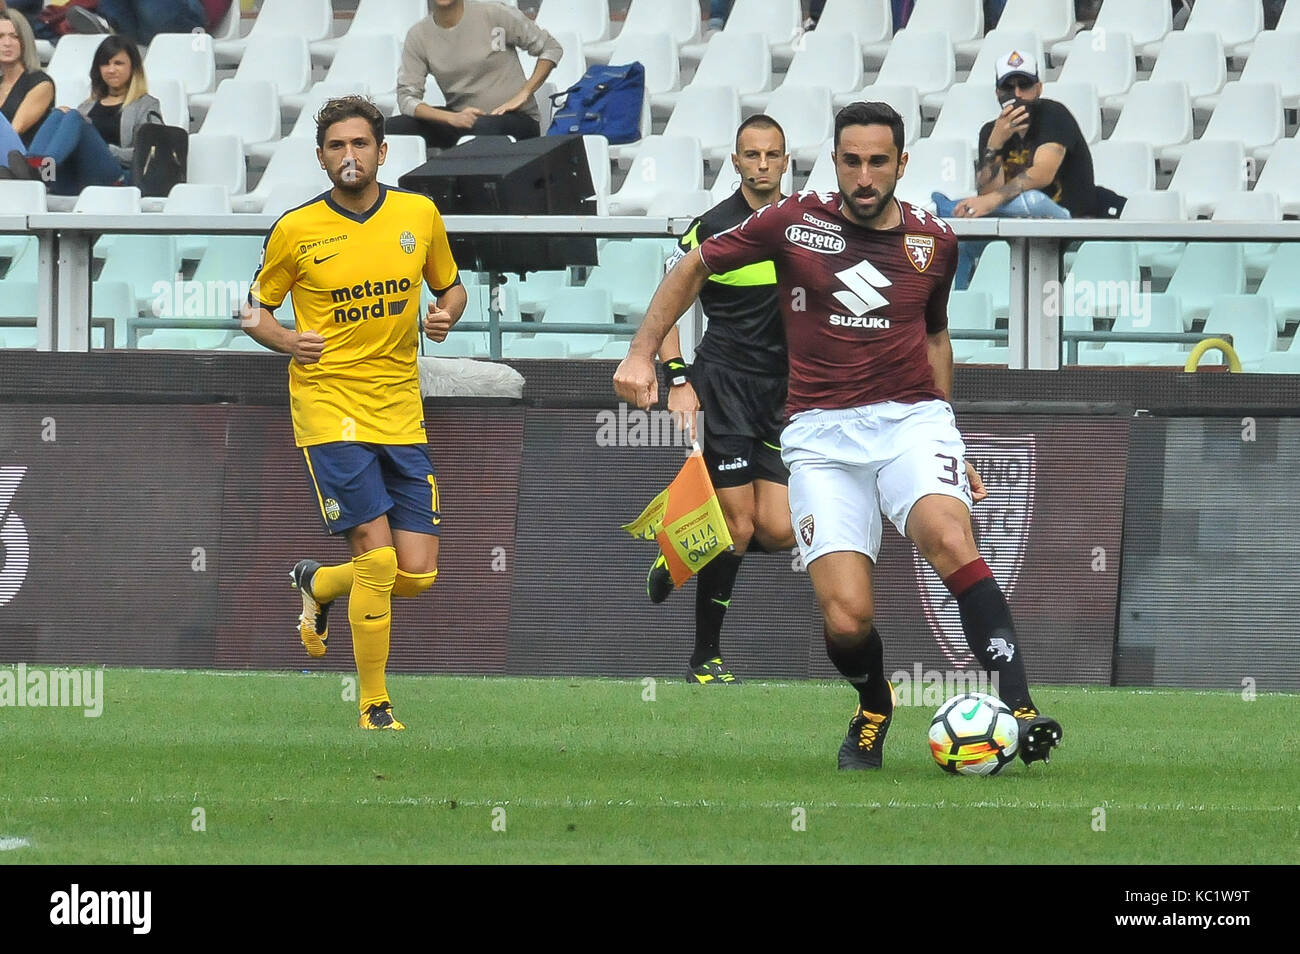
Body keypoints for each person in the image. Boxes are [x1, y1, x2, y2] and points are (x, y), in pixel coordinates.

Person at [615, 102, 1063, 771]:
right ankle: (874, 703)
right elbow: (693, 266)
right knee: (846, 615)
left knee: (947, 535)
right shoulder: (792, 221)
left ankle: (1022, 710)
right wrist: (642, 355)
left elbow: (936, 336)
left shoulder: (933, 242)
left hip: (910, 420)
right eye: (850, 160)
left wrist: (951, 434)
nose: (863, 175)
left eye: (878, 161)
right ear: (834, 162)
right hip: (814, 431)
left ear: (901, 165)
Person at [241, 95, 468, 731]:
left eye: (360, 145)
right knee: (376, 558)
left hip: (400, 406)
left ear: (382, 152)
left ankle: (318, 586)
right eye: (337, 146)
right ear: (320, 157)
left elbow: (449, 283)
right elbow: (252, 308)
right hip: (329, 405)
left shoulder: (417, 214)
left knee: (416, 573)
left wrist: (447, 311)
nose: (350, 156)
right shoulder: (296, 229)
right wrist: (287, 340)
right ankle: (374, 706)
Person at [646, 114, 796, 685]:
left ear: (786, 162)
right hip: (726, 389)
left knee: (779, 531)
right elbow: (665, 306)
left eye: (771, 155)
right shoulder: (710, 229)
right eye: (751, 155)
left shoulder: (803, 226)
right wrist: (678, 379)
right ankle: (704, 657)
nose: (761, 165)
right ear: (734, 162)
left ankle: (684, 541)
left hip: (784, 395)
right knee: (736, 526)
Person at [935, 50, 1095, 288]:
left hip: (1067, 224)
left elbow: (1042, 173)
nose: (1017, 94)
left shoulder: (1054, 115)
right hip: (1013, 228)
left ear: (1039, 88)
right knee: (957, 244)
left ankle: (947, 206)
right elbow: (988, 191)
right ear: (998, 93)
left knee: (1032, 199)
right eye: (1009, 88)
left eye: (1025, 85)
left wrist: (991, 201)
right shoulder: (991, 131)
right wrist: (994, 145)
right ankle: (954, 309)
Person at [390, 0, 563, 151]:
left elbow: (550, 47)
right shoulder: (418, 35)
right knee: (387, 128)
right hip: (461, 119)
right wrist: (453, 118)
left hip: (516, 119)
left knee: (483, 130)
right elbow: (407, 99)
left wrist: (524, 93)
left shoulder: (494, 14)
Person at [9, 34, 158, 193]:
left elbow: (149, 154)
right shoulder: (87, 106)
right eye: (105, 64)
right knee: (59, 113)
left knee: (74, 117)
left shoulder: (146, 105)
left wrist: (108, 150)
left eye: (118, 63)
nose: (111, 70)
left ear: (133, 67)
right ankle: (35, 166)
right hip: (78, 178)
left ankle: (42, 171)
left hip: (117, 178)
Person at [0, 8, 52, 156]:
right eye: (0, 36)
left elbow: (12, 132)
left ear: (25, 41)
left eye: (14, 36)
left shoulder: (41, 83)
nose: (7, 43)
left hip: (23, 162)